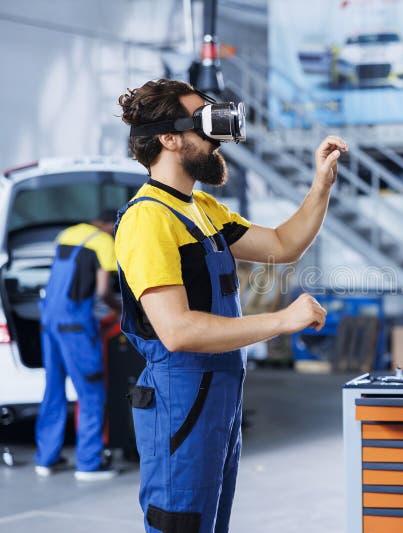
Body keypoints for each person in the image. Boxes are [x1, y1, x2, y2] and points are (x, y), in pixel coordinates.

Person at [116, 79, 344, 533]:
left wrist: (321, 185)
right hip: (180, 403)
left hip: (218, 401)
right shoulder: (147, 219)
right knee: (181, 523)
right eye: (202, 123)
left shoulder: (201, 208)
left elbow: (283, 244)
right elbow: (177, 330)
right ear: (169, 138)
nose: (215, 138)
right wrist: (281, 320)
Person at [35, 209, 121, 480]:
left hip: (48, 322)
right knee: (91, 392)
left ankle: (46, 459)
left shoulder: (67, 234)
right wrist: (121, 310)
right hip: (75, 326)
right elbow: (102, 291)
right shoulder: (104, 242)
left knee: (53, 390)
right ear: (110, 226)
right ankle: (88, 463)